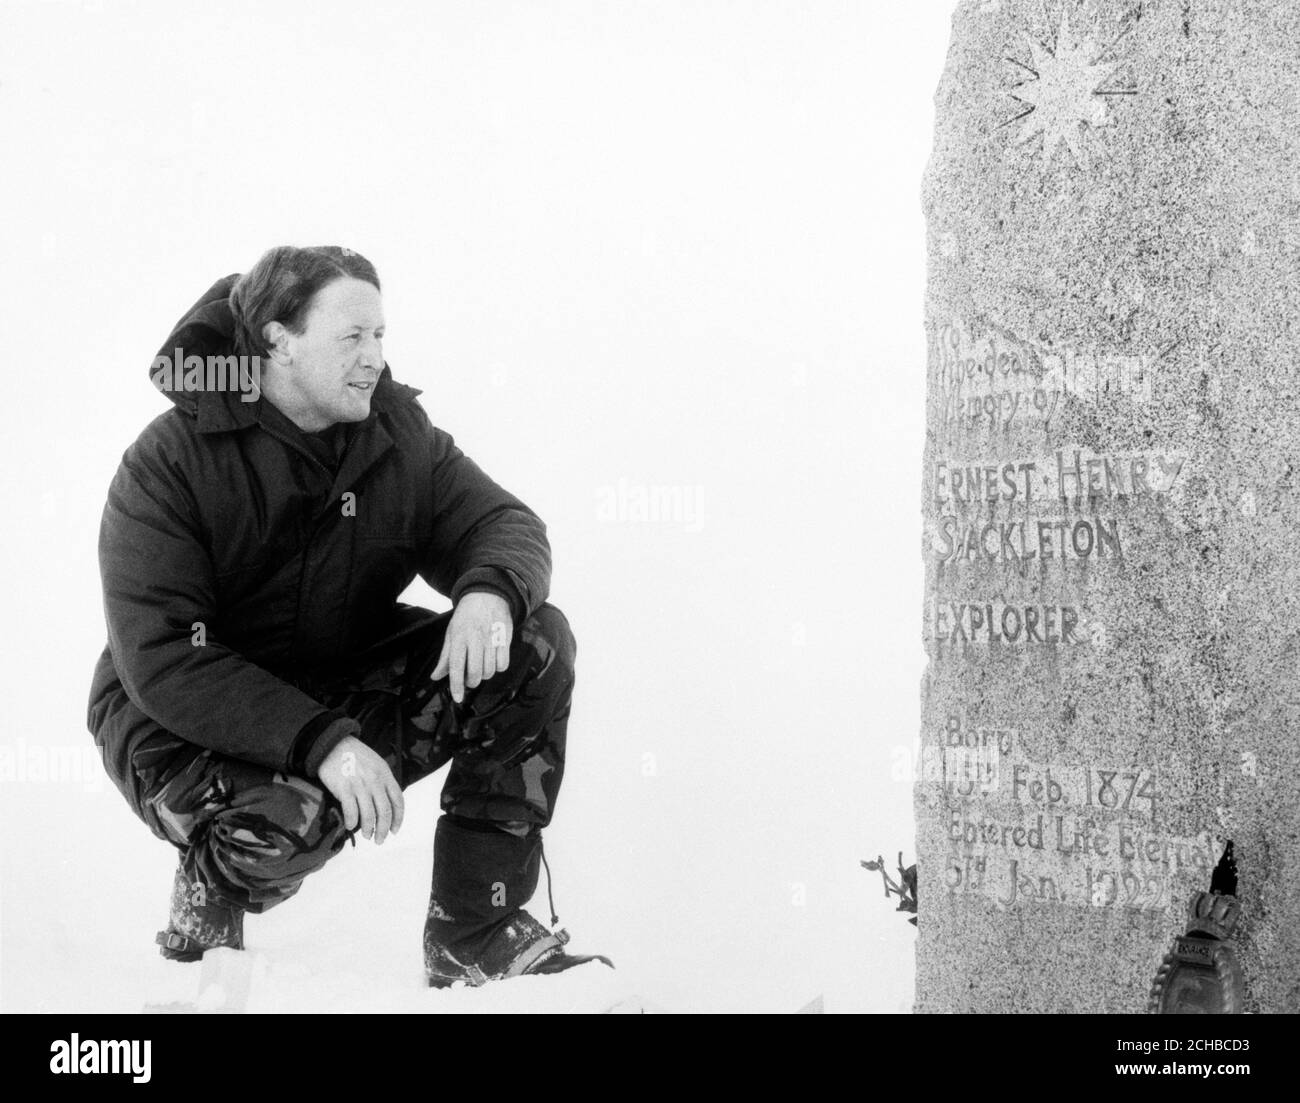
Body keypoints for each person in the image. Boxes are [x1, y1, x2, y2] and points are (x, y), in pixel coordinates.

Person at [87, 245, 608, 987]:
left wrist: (488, 590)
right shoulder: (169, 463)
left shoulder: (397, 438)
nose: (374, 358)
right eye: (352, 337)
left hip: (335, 682)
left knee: (533, 643)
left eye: (381, 336)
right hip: (176, 721)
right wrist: (323, 743)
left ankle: (476, 932)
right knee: (287, 824)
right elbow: (165, 655)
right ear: (278, 341)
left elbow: (503, 523)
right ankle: (209, 885)